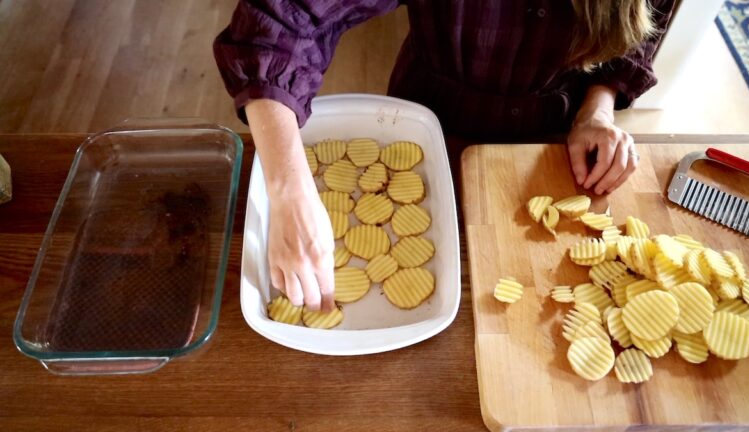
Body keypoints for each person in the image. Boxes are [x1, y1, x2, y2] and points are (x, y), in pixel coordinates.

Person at [213, 0, 675, 312]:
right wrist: (289, 188)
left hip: (558, 147)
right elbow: (282, 17)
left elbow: (643, 21)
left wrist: (597, 109)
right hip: (430, 119)